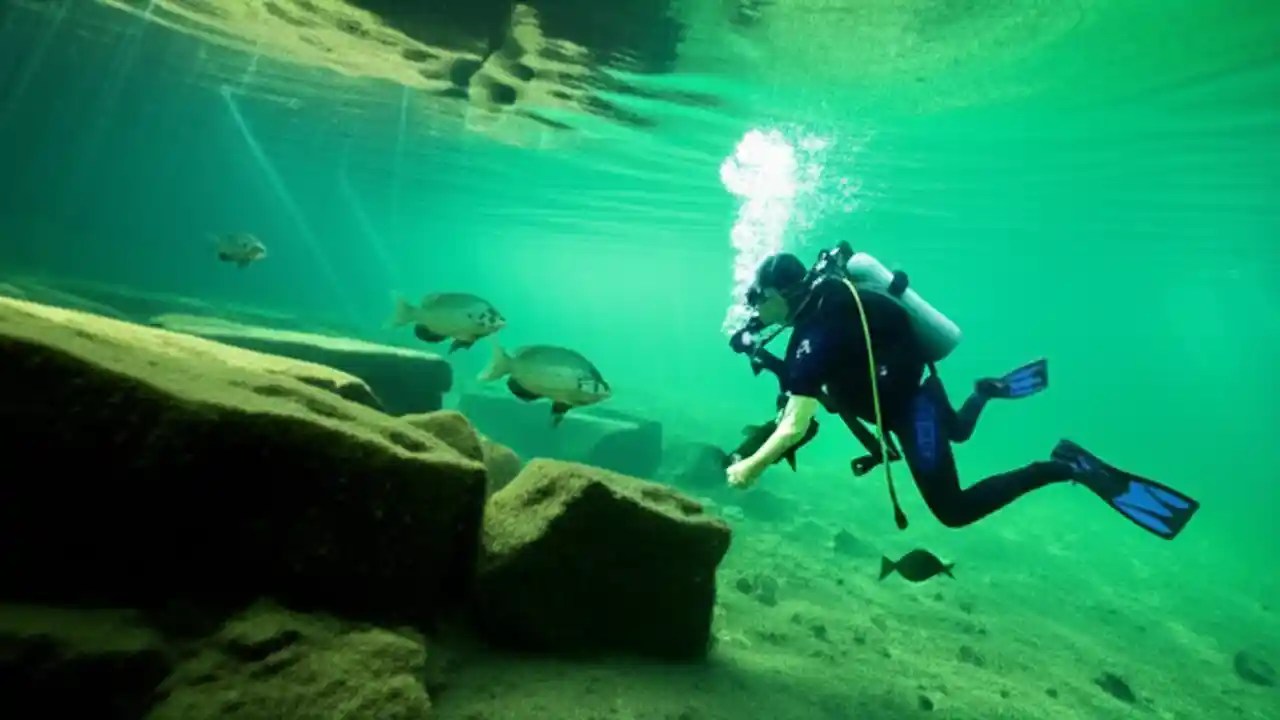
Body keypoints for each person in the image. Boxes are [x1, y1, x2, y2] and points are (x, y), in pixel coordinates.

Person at [723, 250, 1200, 540]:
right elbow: (824, 378)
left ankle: (1060, 468)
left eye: (759, 300)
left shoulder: (816, 329)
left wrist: (750, 467)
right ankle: (986, 392)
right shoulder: (826, 301)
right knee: (960, 432)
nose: (757, 312)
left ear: (782, 292)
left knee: (953, 510)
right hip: (917, 391)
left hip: (912, 410)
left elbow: (795, 424)